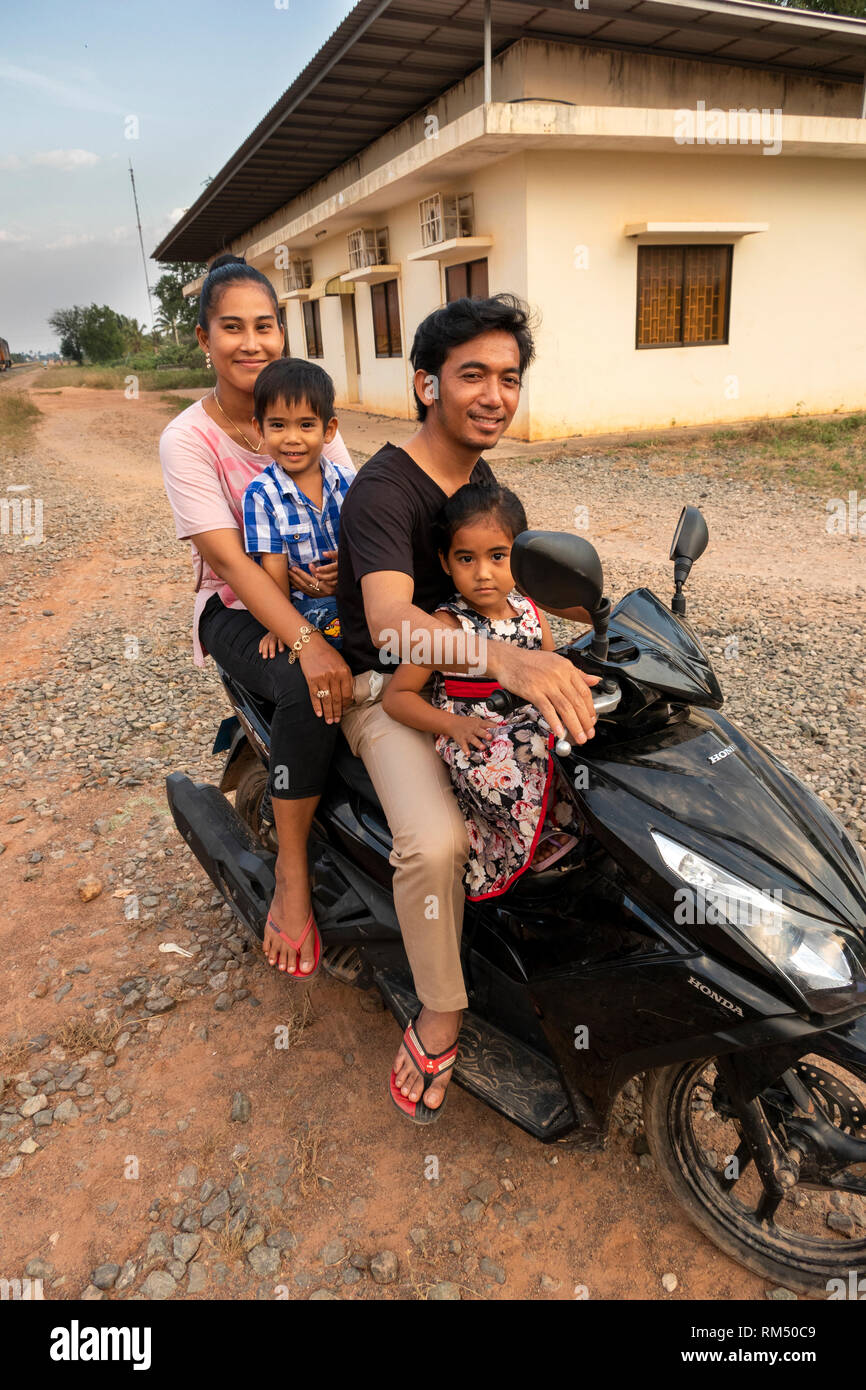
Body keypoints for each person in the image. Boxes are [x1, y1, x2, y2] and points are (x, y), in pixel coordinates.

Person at [337, 293, 599, 1123]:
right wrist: (505, 660)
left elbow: (515, 577)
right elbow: (389, 624)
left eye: (509, 378)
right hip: (386, 690)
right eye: (473, 375)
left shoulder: (481, 479)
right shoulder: (384, 489)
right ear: (427, 384)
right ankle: (442, 1006)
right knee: (438, 840)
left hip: (475, 679)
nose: (494, 395)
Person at [160, 254, 355, 980]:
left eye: (265, 325)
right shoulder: (187, 439)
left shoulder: (302, 408)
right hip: (238, 608)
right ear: (204, 339)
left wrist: (352, 570)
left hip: (318, 595)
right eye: (231, 327)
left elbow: (352, 503)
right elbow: (233, 562)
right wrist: (307, 641)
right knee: (312, 687)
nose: (251, 342)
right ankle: (295, 879)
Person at [383, 481, 582, 900]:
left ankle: (568, 827)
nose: (483, 573)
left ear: (521, 557)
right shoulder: (445, 627)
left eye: (497, 556)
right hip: (478, 739)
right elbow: (397, 697)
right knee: (530, 746)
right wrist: (452, 724)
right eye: (466, 559)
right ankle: (519, 846)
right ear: (445, 561)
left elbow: (551, 668)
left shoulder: (530, 612)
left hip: (526, 729)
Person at [242, 357, 353, 661]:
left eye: (306, 425)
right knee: (341, 630)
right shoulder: (261, 496)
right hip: (305, 606)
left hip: (356, 591)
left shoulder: (351, 483)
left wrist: (348, 571)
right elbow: (273, 568)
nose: (292, 438)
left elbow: (370, 545)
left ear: (328, 430)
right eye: (278, 425)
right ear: (259, 429)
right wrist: (281, 627)